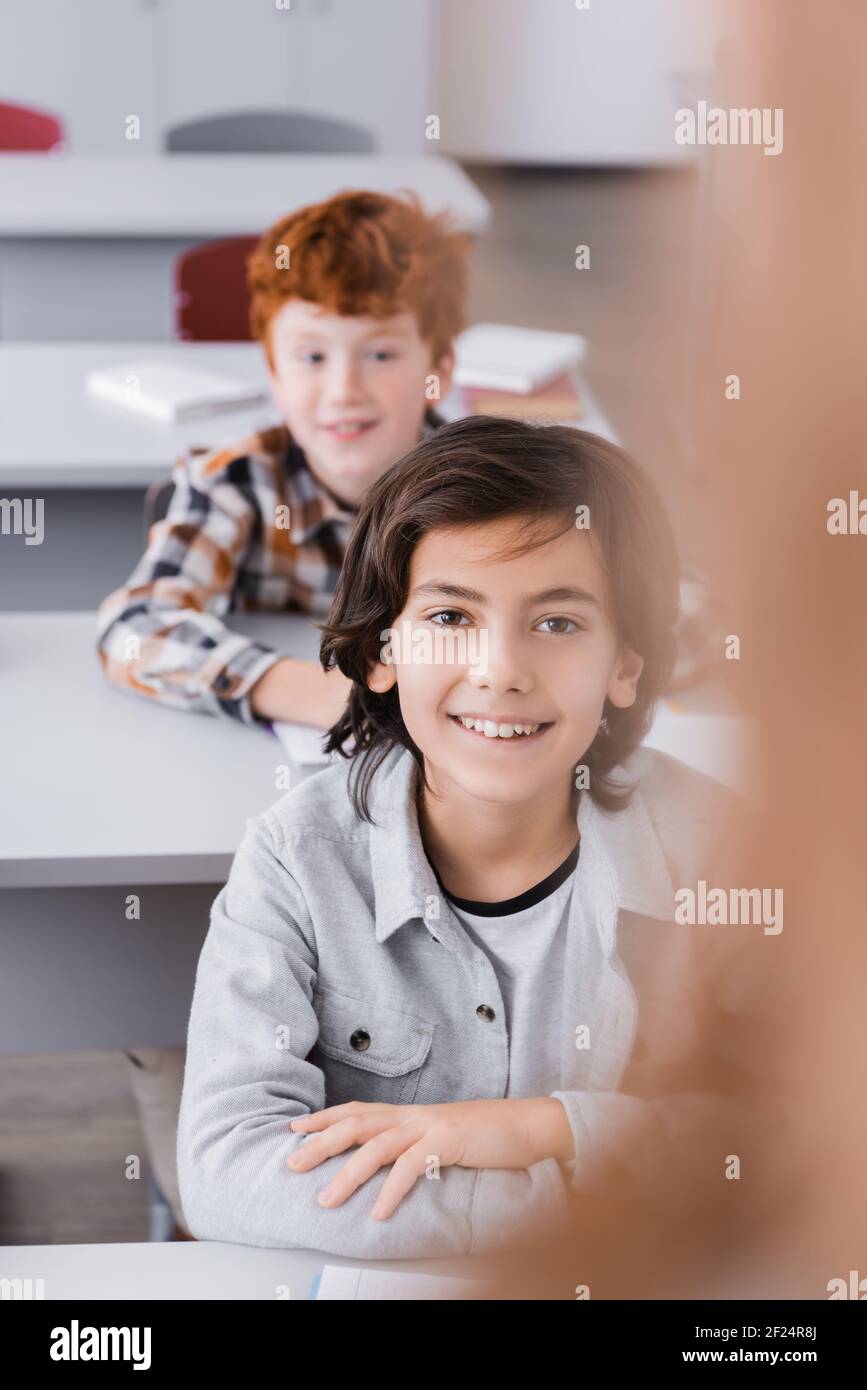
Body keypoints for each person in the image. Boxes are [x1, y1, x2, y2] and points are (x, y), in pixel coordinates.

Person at [176, 415, 760, 1257]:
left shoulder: (720, 850)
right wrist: (580, 1195)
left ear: (625, 664)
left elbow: (783, 1146)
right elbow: (230, 1170)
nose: (500, 670)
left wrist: (541, 1128)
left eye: (557, 624)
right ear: (383, 649)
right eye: (451, 617)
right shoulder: (296, 860)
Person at [97, 188, 470, 1236]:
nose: (343, 390)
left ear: (437, 362)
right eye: (311, 356)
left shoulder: (485, 483)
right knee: (209, 996)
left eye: (381, 354)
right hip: (271, 830)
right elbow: (134, 626)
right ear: (270, 366)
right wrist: (316, 686)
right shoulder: (232, 481)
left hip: (446, 833)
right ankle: (219, 1198)